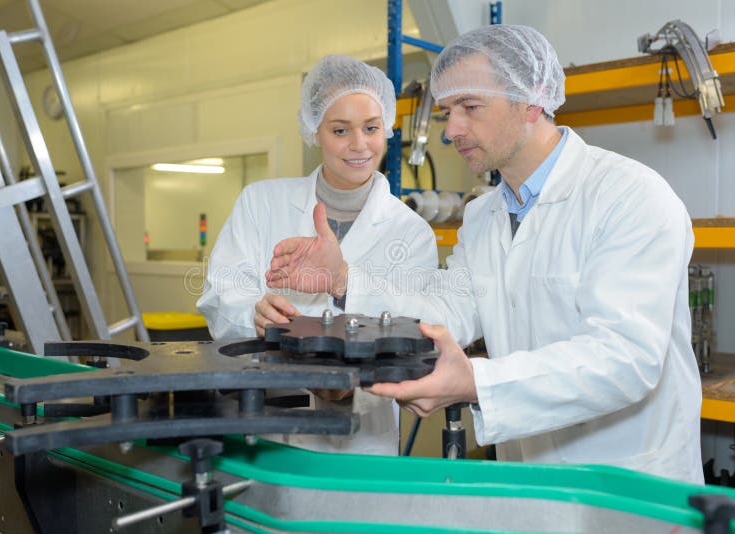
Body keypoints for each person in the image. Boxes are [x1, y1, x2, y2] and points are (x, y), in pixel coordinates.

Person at [265, 25, 703, 483]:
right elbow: (449, 307)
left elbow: (625, 357)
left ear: (532, 99)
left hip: (630, 482)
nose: (452, 130)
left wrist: (476, 382)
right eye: (448, 110)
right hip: (529, 477)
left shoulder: (629, 196)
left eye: (470, 107)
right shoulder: (483, 216)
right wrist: (344, 281)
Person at [197, 54, 438, 455]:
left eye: (372, 128)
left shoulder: (411, 233)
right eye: (340, 129)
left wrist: (345, 382)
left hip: (362, 440)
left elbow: (415, 327)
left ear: (388, 129)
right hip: (268, 425)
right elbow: (219, 295)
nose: (359, 144)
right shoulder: (261, 203)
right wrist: (254, 316)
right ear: (314, 132)